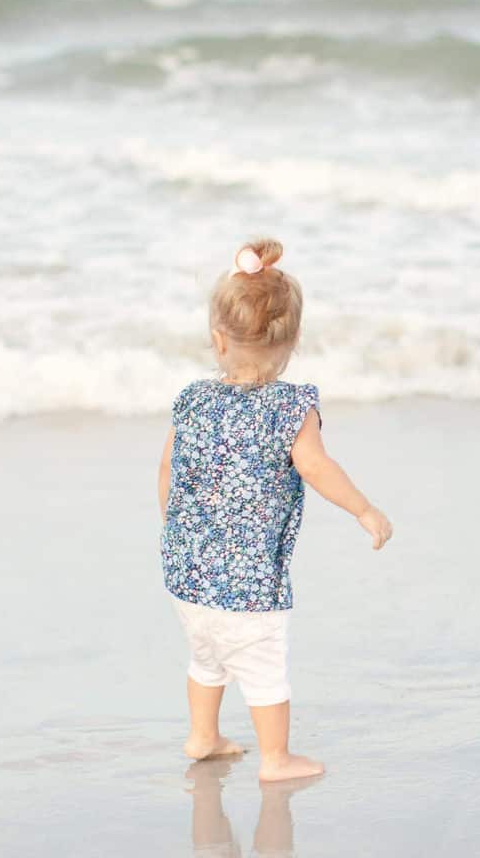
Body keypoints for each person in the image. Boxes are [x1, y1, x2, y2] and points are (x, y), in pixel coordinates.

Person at [158, 239, 394, 782]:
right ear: (291, 343)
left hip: (185, 573)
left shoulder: (193, 398)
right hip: (250, 583)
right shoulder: (292, 406)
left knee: (207, 656)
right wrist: (363, 509)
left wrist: (174, 527)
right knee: (263, 665)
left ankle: (202, 736)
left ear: (218, 339)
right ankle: (275, 758)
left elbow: (168, 469)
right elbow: (315, 465)